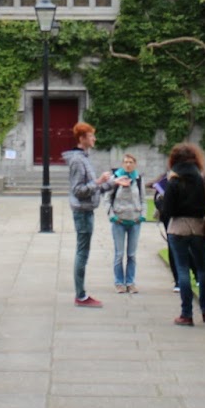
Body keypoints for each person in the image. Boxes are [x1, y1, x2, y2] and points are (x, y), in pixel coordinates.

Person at [158, 142, 205, 325]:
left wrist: (161, 203)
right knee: (202, 268)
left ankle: (186, 313)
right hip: (198, 226)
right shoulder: (201, 178)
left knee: (183, 269)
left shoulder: (174, 180)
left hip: (178, 227)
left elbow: (166, 210)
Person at [64, 121, 116, 307]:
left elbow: (93, 189)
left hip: (87, 211)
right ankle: (81, 295)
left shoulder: (84, 158)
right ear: (82, 139)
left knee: (83, 252)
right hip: (82, 213)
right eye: (91, 135)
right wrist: (99, 180)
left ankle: (81, 294)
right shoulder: (78, 160)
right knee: (82, 253)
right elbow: (78, 190)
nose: (94, 138)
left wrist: (114, 183)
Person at [107, 150, 145, 293]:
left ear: (135, 164)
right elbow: (107, 199)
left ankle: (130, 282)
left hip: (134, 220)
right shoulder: (115, 179)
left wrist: (142, 215)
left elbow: (143, 199)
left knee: (131, 254)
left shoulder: (138, 179)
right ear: (122, 164)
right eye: (126, 162)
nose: (128, 165)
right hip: (119, 221)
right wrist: (112, 216)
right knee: (119, 254)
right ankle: (119, 283)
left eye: (131, 162)